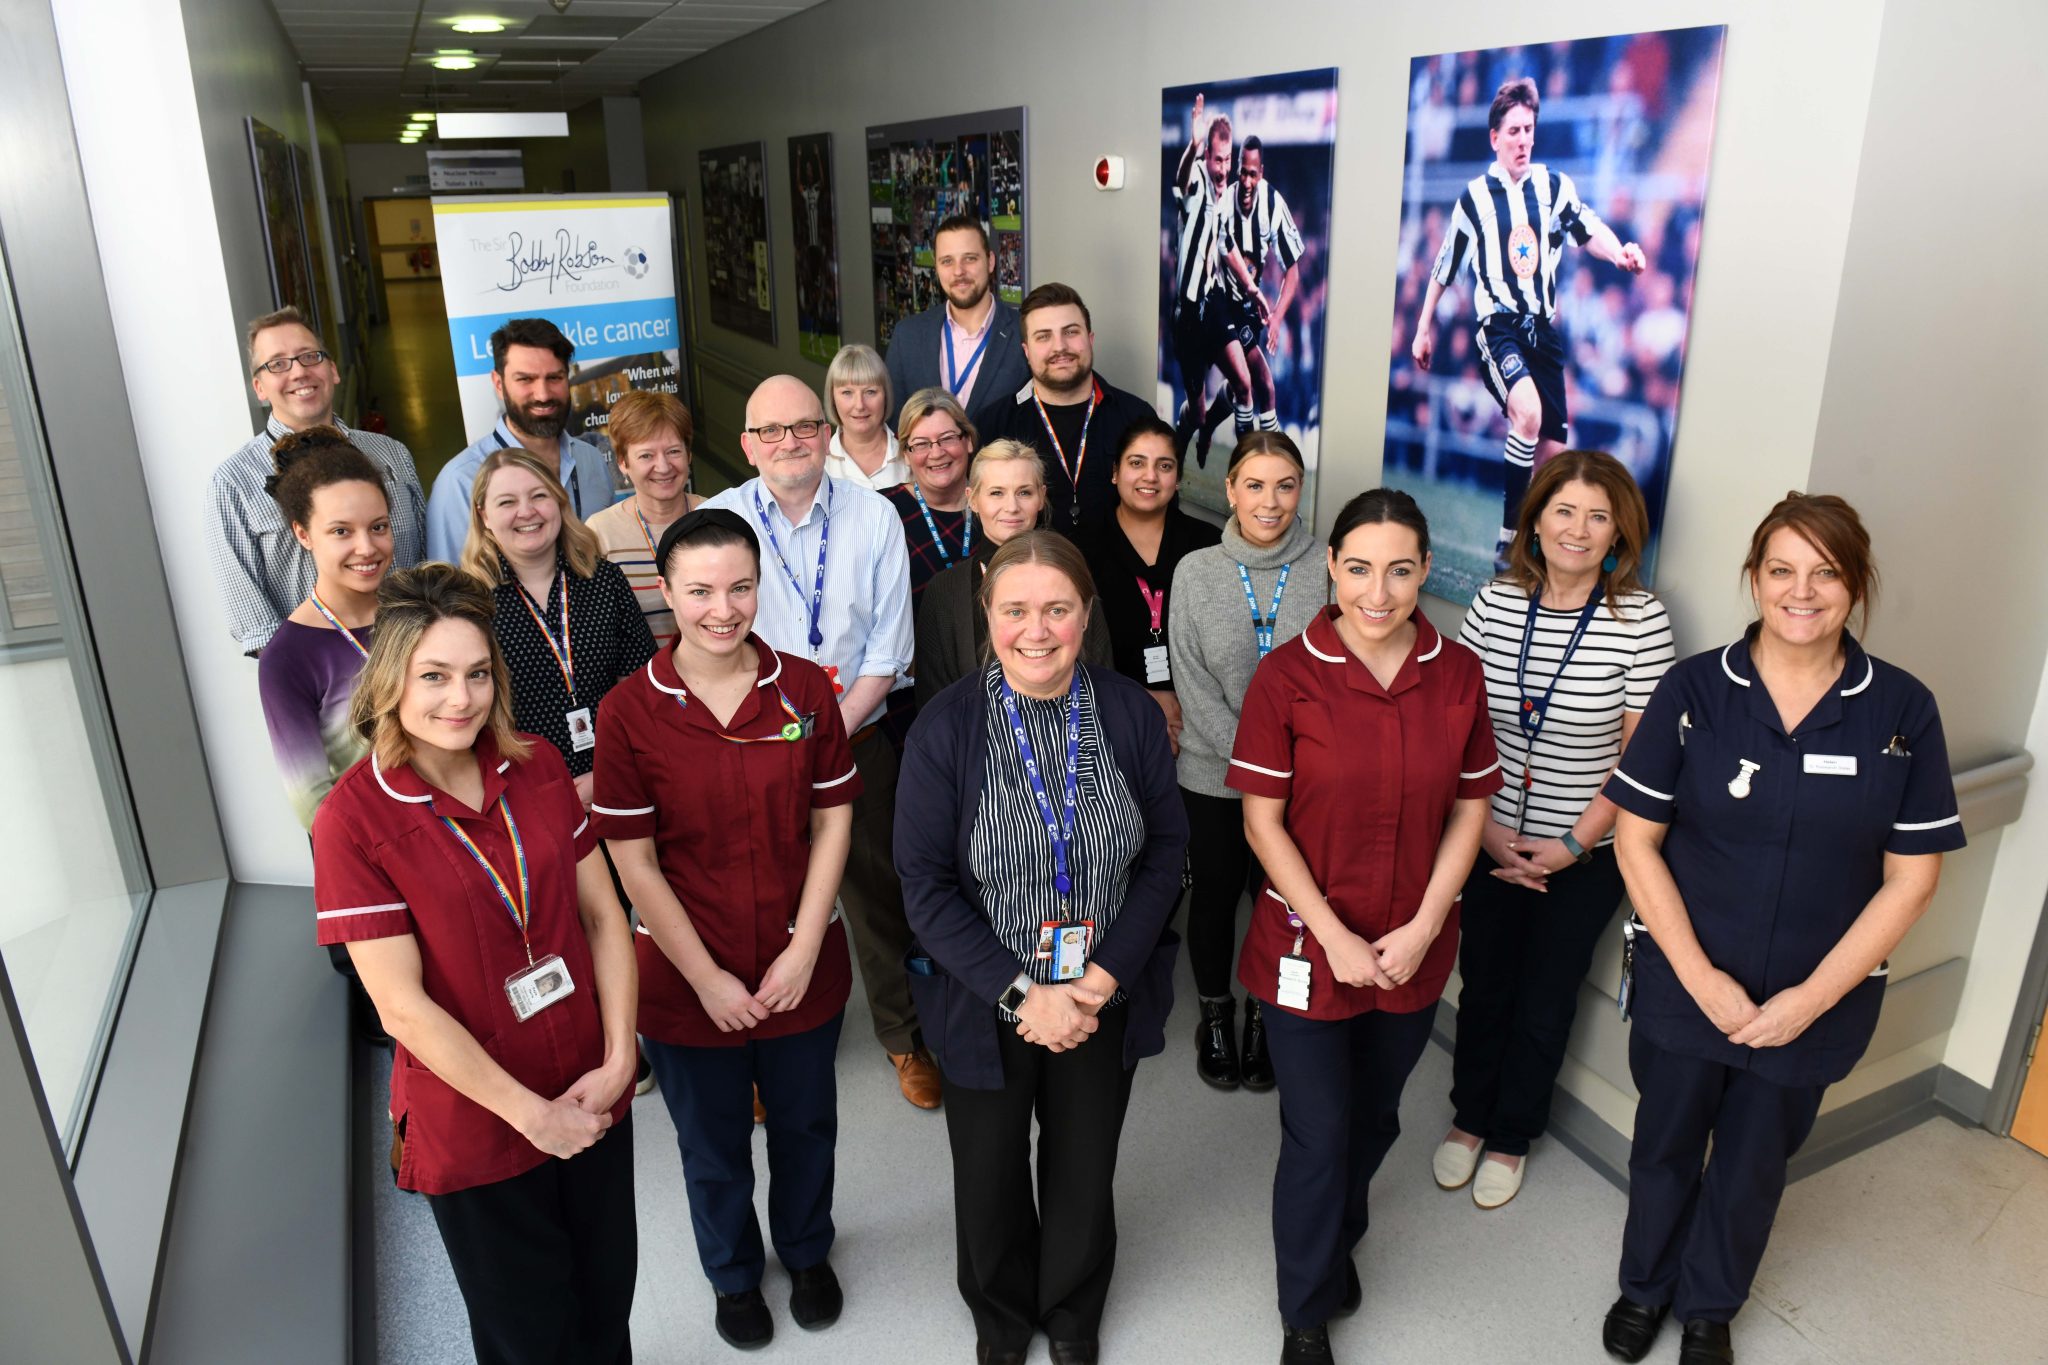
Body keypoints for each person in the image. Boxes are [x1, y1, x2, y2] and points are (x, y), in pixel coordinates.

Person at [1596, 493, 1961, 1365]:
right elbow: (1636, 841)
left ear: (1855, 583)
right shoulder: (1694, 690)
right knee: (1666, 1142)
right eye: (1782, 569)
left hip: (1817, 997)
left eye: (1826, 572)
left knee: (1756, 1160)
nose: (1803, 591)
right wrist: (1701, 976)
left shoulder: (1901, 711)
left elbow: (1913, 878)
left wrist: (1809, 999)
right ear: (1755, 579)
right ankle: (1644, 1286)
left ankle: (1711, 1305)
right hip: (1689, 984)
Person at [311, 563, 640, 1364]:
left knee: (606, 1307)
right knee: (528, 1337)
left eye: (477, 675)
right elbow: (401, 1008)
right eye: (433, 676)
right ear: (390, 679)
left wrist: (622, 1054)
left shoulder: (537, 769)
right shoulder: (352, 819)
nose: (460, 699)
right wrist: (535, 1116)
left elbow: (604, 915)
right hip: (482, 1126)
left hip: (591, 1089)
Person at [895, 531, 1189, 1365]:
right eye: (1015, 610)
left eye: (1057, 609)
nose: (1037, 630)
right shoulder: (945, 730)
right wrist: (1028, 994)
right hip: (982, 996)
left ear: (1086, 616)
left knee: (1084, 1161)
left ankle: (1070, 1308)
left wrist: (1097, 978)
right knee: (987, 1172)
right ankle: (998, 1314)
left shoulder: (1130, 711)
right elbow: (924, 888)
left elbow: (1166, 853)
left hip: (1102, 989)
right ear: (985, 615)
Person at [1227, 489, 1501, 1365]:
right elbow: (1262, 822)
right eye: (1357, 568)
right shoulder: (1289, 676)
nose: (1377, 591)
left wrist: (1424, 925)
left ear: (1425, 570)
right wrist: (1337, 937)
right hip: (1310, 946)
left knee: (1375, 1115)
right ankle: (1303, 1312)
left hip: (1413, 948)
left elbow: (1471, 807)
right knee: (1317, 1127)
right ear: (1331, 568)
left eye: (1399, 569)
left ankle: (1336, 1235)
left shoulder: (1456, 672)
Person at [592, 509, 858, 1351]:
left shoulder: (805, 689)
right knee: (711, 1145)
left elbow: (833, 824)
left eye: (740, 586)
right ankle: (734, 1274)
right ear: (664, 591)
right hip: (683, 978)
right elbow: (633, 864)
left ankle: (808, 1251)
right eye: (700, 590)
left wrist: (806, 945)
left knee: (808, 1123)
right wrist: (706, 979)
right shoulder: (630, 711)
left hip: (797, 960)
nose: (722, 607)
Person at [1433, 451, 1675, 1210]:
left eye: (1598, 516)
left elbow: (1641, 759)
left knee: (1545, 997)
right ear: (1536, 519)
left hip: (1588, 853)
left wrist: (1572, 844)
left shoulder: (1642, 619)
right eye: (1565, 511)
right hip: (1488, 835)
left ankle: (1511, 1132)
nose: (1579, 529)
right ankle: (1469, 1117)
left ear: (1619, 534)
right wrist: (1491, 834)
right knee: (1485, 983)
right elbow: (1459, 724)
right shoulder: (1495, 601)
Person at [704, 376, 938, 1109]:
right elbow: (710, 640)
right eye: (770, 431)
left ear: (828, 434)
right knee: (756, 903)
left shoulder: (874, 517)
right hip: (747, 748)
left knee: (878, 895)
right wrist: (780, 735)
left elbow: (889, 650)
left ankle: (904, 1036)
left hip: (853, 738)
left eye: (804, 426)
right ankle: (763, 1052)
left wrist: (820, 733)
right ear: (747, 444)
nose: (789, 443)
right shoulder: (720, 520)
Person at [1410, 77, 1648, 569]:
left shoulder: (1554, 187)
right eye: (1514, 131)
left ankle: (1532, 546)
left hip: (1545, 333)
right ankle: (1507, 539)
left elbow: (1589, 229)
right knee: (1528, 413)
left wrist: (1620, 250)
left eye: (1529, 129)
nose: (1523, 139)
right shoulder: (1474, 199)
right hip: (1498, 327)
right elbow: (1443, 267)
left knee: (1553, 456)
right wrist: (1423, 326)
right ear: (1494, 137)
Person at [1167, 432, 1325, 1089]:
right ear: (1230, 489)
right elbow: (1192, 686)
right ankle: (1215, 1015)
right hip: (1212, 775)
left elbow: (1332, 681)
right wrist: (1261, 770)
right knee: (1214, 896)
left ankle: (1265, 1014)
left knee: (1281, 902)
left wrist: (1293, 773)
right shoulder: (1196, 571)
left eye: (1285, 485)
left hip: (1306, 783)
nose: (1270, 500)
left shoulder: (1327, 566)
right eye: (1255, 485)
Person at [207, 306, 426, 654]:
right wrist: (316, 678)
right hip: (323, 685)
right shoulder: (234, 481)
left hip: (412, 662)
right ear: (259, 387)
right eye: (277, 363)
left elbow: (425, 569)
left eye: (310, 357)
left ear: (333, 370)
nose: (298, 372)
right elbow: (254, 619)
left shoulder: (392, 455)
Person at [459, 449, 655, 811]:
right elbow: (468, 717)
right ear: (483, 516)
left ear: (558, 502)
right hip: (522, 796)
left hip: (616, 780)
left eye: (538, 495)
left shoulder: (604, 581)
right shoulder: (470, 605)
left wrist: (611, 772)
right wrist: (539, 791)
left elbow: (641, 689)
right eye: (507, 502)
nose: (526, 511)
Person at [256, 427, 393, 830]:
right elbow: (312, 800)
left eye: (379, 526)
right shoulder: (287, 658)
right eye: (341, 531)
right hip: (369, 859)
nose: (366, 547)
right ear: (303, 534)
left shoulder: (418, 612)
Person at [914, 439, 1113, 709]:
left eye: (1024, 492)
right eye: (996, 493)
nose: (1012, 507)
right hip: (972, 746)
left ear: (1041, 497)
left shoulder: (1072, 576)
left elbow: (1101, 682)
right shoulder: (945, 591)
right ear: (972, 499)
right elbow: (933, 702)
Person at [1080, 414, 1220, 757]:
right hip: (1108, 726)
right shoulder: (1080, 549)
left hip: (1198, 728)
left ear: (1178, 479)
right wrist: (1141, 700)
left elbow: (1223, 644)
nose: (1150, 476)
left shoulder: (1210, 546)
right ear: (1115, 472)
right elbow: (1075, 651)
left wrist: (1182, 710)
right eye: (1136, 463)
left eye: (1164, 465)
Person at [429, 318, 618, 562]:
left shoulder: (590, 459)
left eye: (554, 378)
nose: (542, 394)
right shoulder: (460, 481)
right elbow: (445, 591)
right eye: (525, 380)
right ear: (498, 384)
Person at [991, 283, 1154, 536]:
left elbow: (1161, 514)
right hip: (1032, 572)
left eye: (1071, 332)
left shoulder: (1137, 418)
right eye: (1043, 336)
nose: (1060, 347)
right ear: (1027, 351)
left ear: (1090, 339)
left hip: (1121, 574)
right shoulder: (995, 424)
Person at [1166, 93, 1256, 466]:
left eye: (1226, 159)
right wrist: (1193, 146)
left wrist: (1252, 287)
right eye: (1216, 159)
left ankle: (1243, 462)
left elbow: (1224, 242)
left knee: (1244, 384)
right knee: (1198, 413)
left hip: (1214, 303)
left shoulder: (1224, 196)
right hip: (1188, 316)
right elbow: (1181, 176)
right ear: (1207, 157)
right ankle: (1188, 432)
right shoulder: (1197, 183)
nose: (1222, 168)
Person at [882, 214, 1031, 439]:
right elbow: (893, 424)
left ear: (990, 261)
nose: (958, 271)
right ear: (937, 267)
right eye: (947, 261)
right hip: (926, 472)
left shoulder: (1025, 333)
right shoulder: (908, 336)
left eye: (969, 259)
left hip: (998, 472)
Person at [584, 389, 703, 647]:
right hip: (638, 684)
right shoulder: (599, 533)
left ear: (689, 454)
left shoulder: (718, 516)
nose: (663, 466)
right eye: (646, 455)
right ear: (623, 463)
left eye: (673, 451)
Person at [882, 386, 977, 604]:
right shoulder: (883, 511)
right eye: (921, 444)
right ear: (906, 454)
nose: (936, 453)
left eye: (947, 438)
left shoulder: (997, 505)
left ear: (968, 440)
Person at [823, 343, 909, 491]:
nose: (860, 405)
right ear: (832, 398)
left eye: (870, 392)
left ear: (886, 396)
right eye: (847, 393)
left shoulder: (911, 456)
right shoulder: (818, 462)